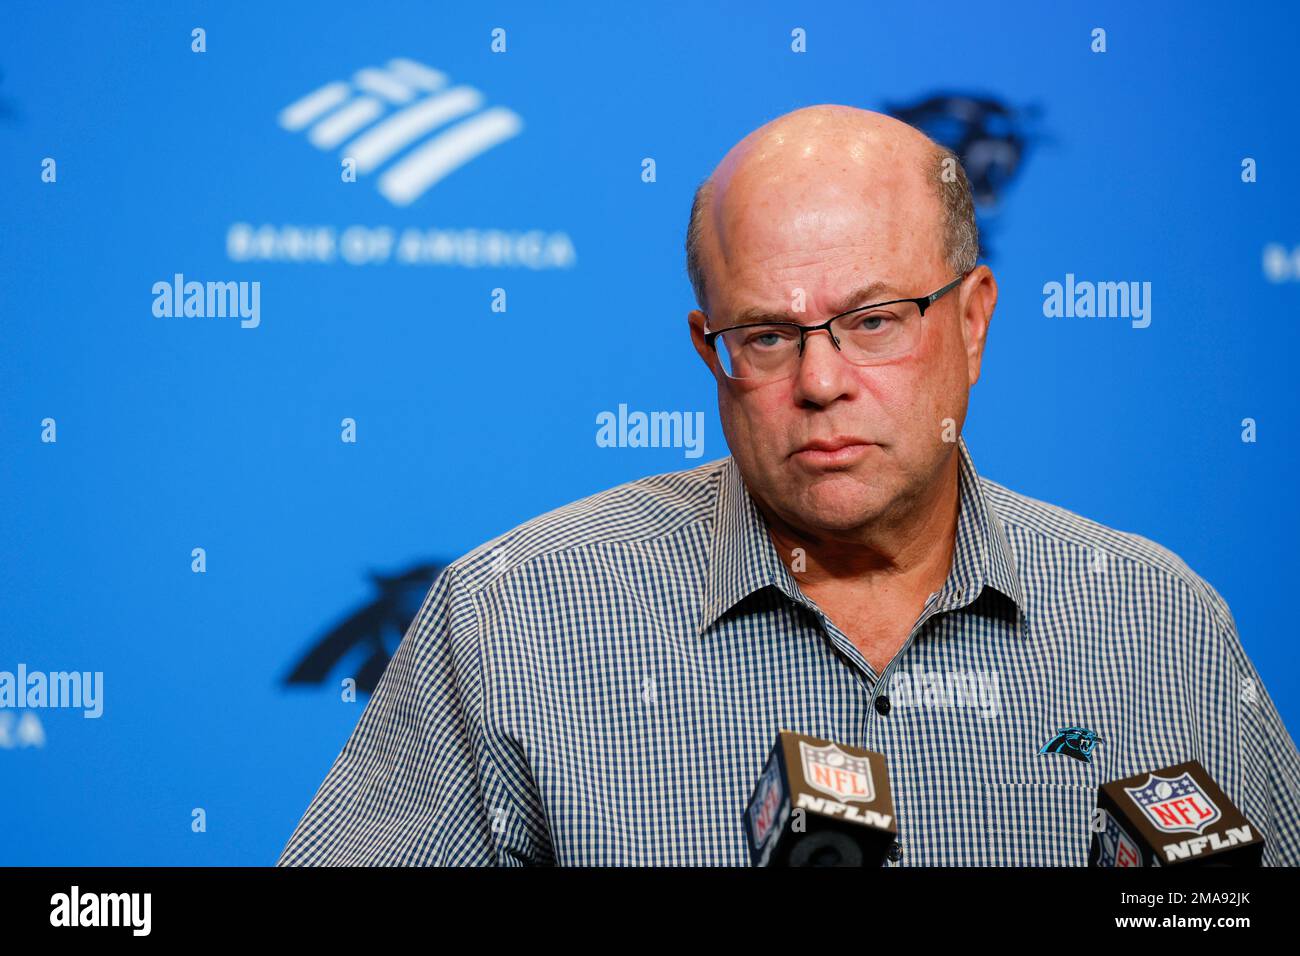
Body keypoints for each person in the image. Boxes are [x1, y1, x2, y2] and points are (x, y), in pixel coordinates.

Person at [277, 104, 1299, 866]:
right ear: (709, 350)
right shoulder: (515, 618)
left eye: (873, 320)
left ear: (973, 320)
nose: (819, 381)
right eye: (766, 335)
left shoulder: (1162, 626)